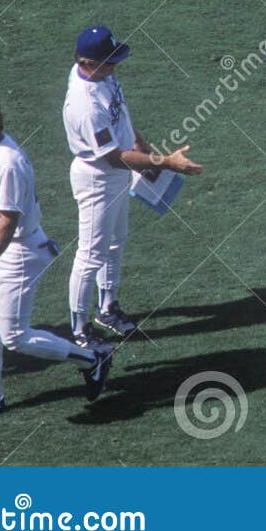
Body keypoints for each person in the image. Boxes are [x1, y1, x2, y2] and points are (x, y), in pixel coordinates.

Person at [0, 89, 113, 417]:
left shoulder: (8, 162)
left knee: (14, 336)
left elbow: (9, 223)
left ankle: (93, 359)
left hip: (19, 249)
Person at [62, 25, 201, 346]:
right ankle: (79, 328)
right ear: (88, 62)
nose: (116, 65)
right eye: (109, 60)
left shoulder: (101, 75)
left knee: (116, 240)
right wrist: (166, 162)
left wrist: (144, 146)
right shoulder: (84, 105)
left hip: (120, 168)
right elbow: (112, 157)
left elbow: (120, 117)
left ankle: (107, 307)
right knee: (90, 253)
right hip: (98, 178)